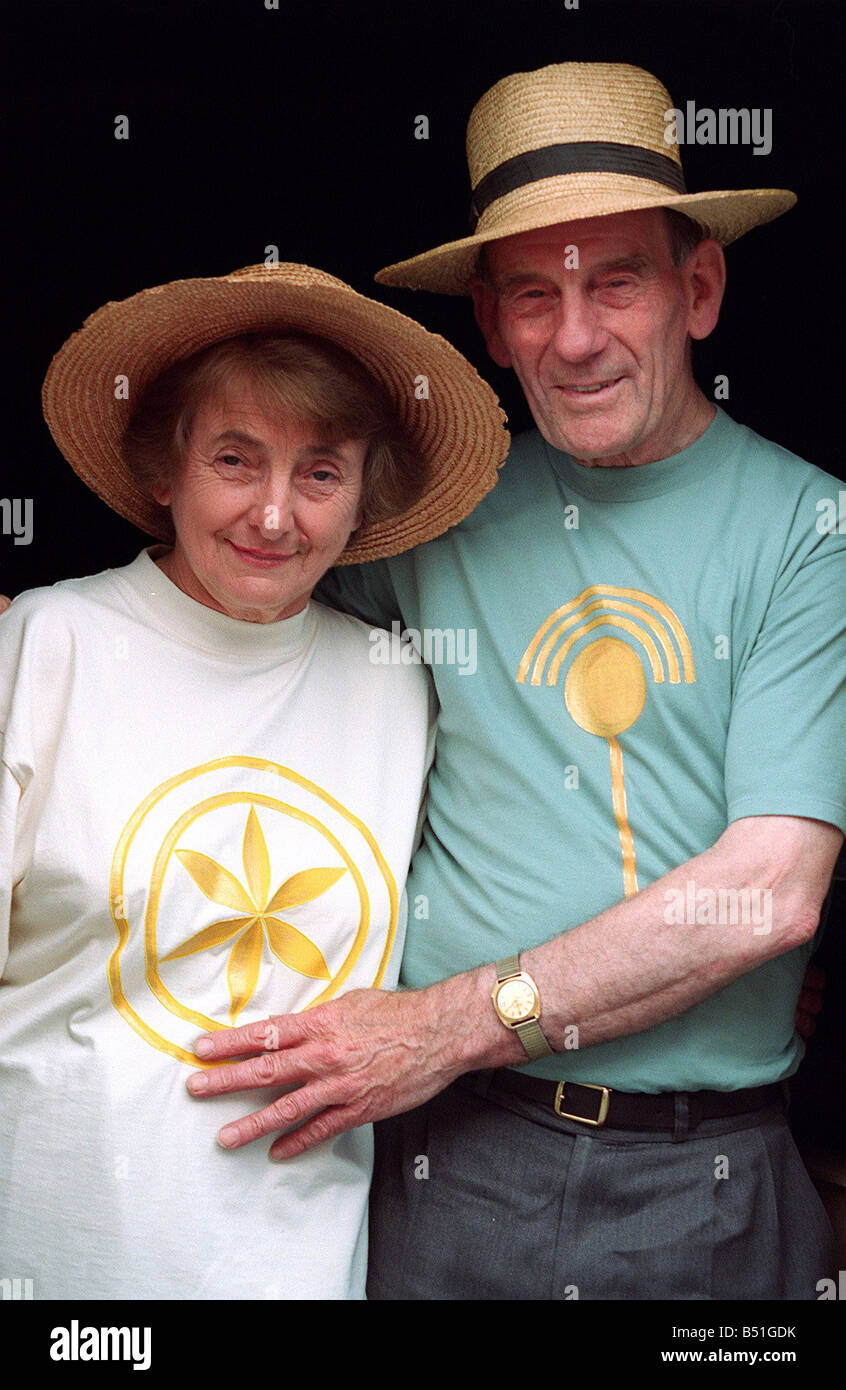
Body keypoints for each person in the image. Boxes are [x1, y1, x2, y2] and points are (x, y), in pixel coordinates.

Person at [187, 65, 846, 1300]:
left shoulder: (815, 531)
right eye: (535, 296)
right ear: (489, 326)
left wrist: (437, 1028)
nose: (577, 335)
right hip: (443, 1171)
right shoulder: (430, 518)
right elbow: (234, 638)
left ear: (698, 288)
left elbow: (769, 896)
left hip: (698, 1190)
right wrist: (48, 629)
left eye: (619, 283)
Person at [0, 261, 507, 1299]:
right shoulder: (50, 641)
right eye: (237, 459)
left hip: (295, 1268)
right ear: (164, 467)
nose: (275, 516)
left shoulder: (396, 688)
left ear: (366, 496)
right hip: (57, 1258)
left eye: (320, 473)